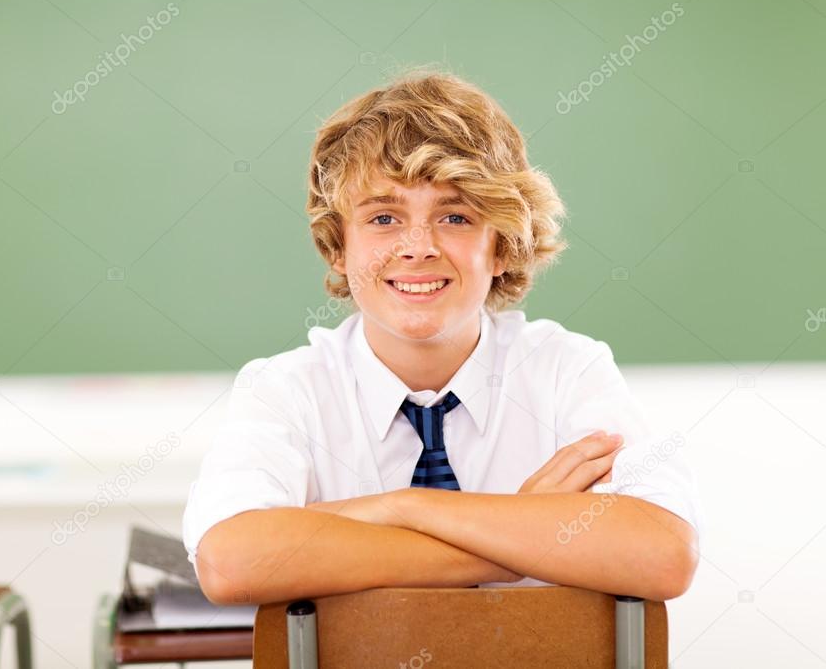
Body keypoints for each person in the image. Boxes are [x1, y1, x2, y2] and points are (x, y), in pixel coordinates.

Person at [182, 70, 704, 606]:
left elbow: (663, 553)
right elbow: (232, 562)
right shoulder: (288, 390)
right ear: (338, 247)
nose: (417, 247)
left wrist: (403, 508)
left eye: (455, 216)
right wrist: (520, 530)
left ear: (502, 247)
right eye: (384, 217)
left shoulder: (565, 370)